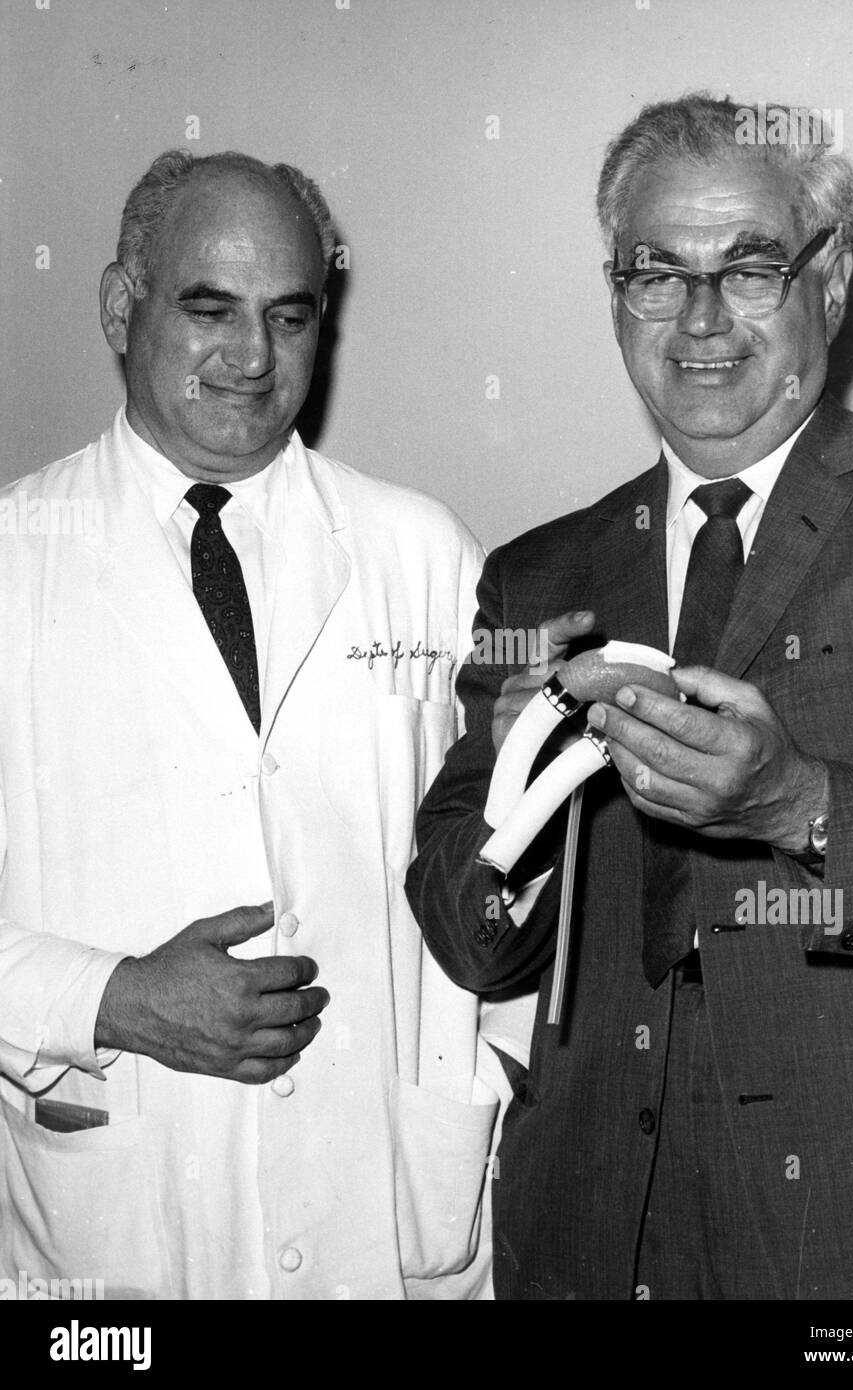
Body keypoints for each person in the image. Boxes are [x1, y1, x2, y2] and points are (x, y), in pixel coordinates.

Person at [406, 94, 853, 1300]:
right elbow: (472, 944)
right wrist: (518, 797)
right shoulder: (538, 571)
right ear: (615, 296)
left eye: (751, 268)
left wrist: (797, 802)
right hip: (592, 1227)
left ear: (827, 284)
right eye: (658, 272)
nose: (703, 319)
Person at [0, 148, 522, 1300]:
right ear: (117, 305)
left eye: (289, 316)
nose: (251, 358)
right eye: (209, 309)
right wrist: (110, 996)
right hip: (118, 1227)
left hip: (384, 1217)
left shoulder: (421, 553)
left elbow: (505, 892)